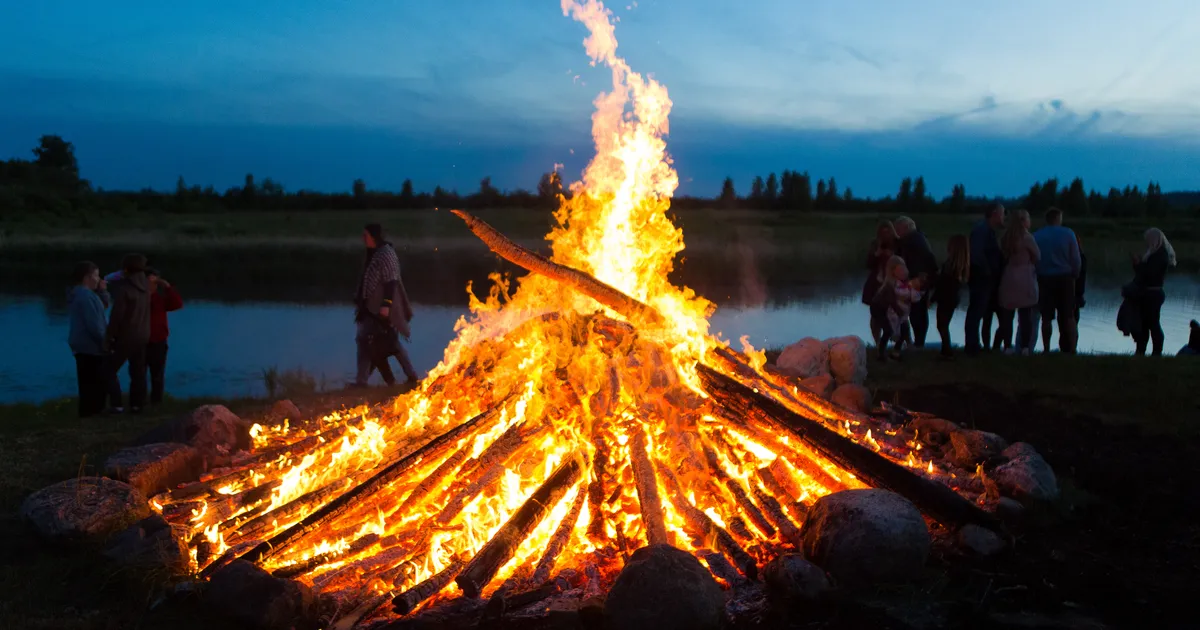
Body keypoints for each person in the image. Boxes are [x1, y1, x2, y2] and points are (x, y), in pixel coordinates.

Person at [351, 223, 417, 387]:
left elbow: (391, 282)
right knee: (366, 341)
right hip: (370, 308)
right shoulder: (374, 254)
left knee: (388, 342)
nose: (363, 238)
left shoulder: (386, 254)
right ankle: (363, 381)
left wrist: (385, 306)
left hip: (382, 307)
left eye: (365, 235)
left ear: (374, 236)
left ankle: (410, 377)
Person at [107, 253, 153, 412]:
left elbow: (116, 317)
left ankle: (116, 404)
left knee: (109, 369)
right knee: (138, 372)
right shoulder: (147, 288)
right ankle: (137, 405)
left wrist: (108, 337)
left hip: (127, 336)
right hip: (143, 335)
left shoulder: (125, 289)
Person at [1033, 208, 1081, 353]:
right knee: (1068, 315)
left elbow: (1034, 259)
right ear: (1058, 218)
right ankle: (1071, 349)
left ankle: (1046, 348)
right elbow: (1076, 258)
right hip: (1065, 278)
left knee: (1046, 317)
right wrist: (1075, 274)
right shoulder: (1068, 234)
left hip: (1044, 278)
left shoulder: (1037, 235)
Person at [67, 262, 110, 417]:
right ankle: (93, 414)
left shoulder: (80, 294)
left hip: (82, 346)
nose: (98, 279)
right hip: (91, 348)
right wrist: (105, 343)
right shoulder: (86, 297)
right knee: (95, 384)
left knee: (86, 384)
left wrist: (103, 292)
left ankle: (88, 413)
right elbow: (95, 325)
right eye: (96, 276)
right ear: (87, 277)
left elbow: (103, 305)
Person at [998, 210, 1041, 355]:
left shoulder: (1006, 237)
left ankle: (1007, 345)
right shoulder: (1027, 237)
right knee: (1025, 314)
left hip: (1009, 275)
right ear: (1024, 221)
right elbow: (1037, 255)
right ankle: (1024, 347)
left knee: (1008, 314)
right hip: (1024, 275)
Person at [1127, 228, 1176, 356]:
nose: (1147, 243)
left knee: (1153, 323)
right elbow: (1143, 273)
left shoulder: (1160, 255)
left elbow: (1150, 274)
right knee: (1144, 324)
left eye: (1148, 240)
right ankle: (1141, 350)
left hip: (1153, 294)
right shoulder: (1153, 253)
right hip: (1147, 293)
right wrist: (1137, 265)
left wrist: (1139, 264)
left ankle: (1156, 352)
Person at [965, 204, 1005, 354]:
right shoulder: (982, 230)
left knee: (979, 311)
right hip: (980, 278)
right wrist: (988, 272)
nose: (1003, 218)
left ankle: (974, 344)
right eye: (1002, 214)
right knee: (976, 311)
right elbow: (977, 254)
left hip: (984, 278)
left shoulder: (987, 230)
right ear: (994, 214)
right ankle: (972, 345)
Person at [894, 216, 938, 347]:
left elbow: (918, 262)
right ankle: (917, 342)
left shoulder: (913, 240)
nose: (897, 233)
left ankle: (918, 343)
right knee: (918, 313)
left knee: (916, 313)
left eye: (898, 229)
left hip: (917, 282)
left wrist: (914, 280)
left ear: (906, 228)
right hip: (921, 281)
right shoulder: (918, 238)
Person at [871, 256, 920, 361]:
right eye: (900, 270)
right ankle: (881, 354)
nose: (904, 272)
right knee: (888, 331)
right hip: (879, 309)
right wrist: (900, 312)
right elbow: (893, 302)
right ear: (893, 272)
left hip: (890, 310)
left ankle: (896, 351)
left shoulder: (903, 284)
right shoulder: (890, 285)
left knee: (904, 328)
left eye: (904, 269)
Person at [145, 269, 183, 405]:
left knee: (157, 376)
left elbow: (177, 303)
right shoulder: (136, 299)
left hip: (158, 342)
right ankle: (137, 403)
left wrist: (167, 286)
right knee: (138, 375)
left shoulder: (159, 300)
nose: (151, 285)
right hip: (139, 341)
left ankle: (156, 402)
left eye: (154, 282)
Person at [931, 235, 970, 359]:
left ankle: (947, 351)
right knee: (943, 324)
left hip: (945, 298)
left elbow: (942, 285)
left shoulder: (949, 266)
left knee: (942, 324)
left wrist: (932, 299)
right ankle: (945, 350)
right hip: (952, 298)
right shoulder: (960, 266)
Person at [862, 221, 898, 348]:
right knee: (875, 315)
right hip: (876, 283)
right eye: (882, 232)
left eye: (888, 232)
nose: (885, 235)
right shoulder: (875, 244)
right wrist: (876, 254)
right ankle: (877, 342)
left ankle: (900, 341)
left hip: (892, 282)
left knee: (897, 312)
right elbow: (868, 264)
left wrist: (892, 256)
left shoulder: (898, 244)